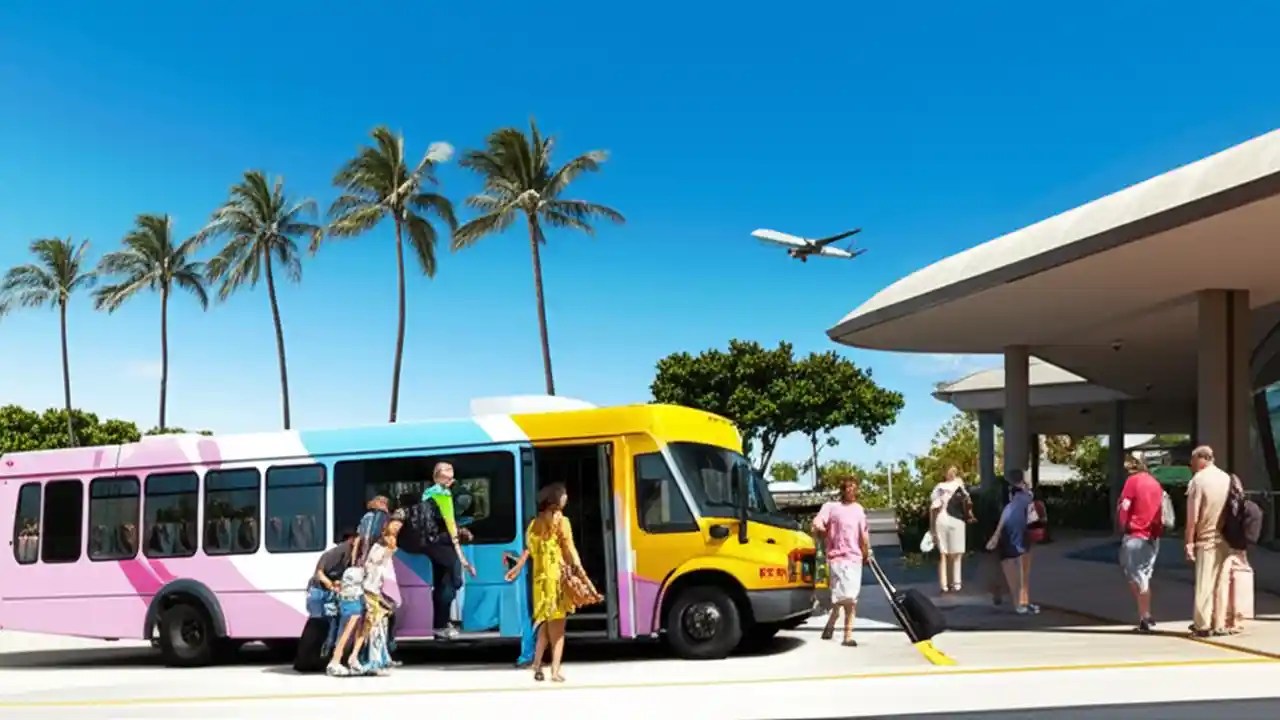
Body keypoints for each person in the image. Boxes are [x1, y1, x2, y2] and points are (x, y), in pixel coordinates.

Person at [504, 483, 596, 682]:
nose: (566, 498)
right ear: (555, 499)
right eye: (563, 495)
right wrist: (585, 579)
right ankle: (555, 671)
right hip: (557, 580)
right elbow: (570, 550)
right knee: (559, 631)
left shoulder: (534, 524)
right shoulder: (562, 521)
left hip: (540, 582)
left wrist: (517, 567)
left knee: (544, 627)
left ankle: (537, 665)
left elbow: (529, 551)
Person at [811, 476, 871, 646]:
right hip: (836, 558)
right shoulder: (831, 507)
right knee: (845, 598)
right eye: (848, 488)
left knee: (848, 598)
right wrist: (820, 527)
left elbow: (864, 535)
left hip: (854, 558)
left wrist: (867, 552)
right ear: (842, 490)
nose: (851, 491)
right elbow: (818, 521)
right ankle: (843, 630)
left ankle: (839, 629)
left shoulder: (859, 510)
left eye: (854, 487)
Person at [421, 462, 477, 641]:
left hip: (432, 544)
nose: (453, 478)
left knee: (442, 583)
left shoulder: (428, 493)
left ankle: (440, 623)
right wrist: (462, 557)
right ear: (440, 477)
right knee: (453, 581)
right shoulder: (443, 494)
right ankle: (441, 624)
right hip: (444, 543)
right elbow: (450, 521)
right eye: (450, 475)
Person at [347, 516, 403, 676]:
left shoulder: (384, 546)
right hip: (370, 589)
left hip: (376, 588)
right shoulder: (379, 546)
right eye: (395, 527)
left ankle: (380, 658)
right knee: (373, 626)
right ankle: (372, 660)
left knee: (380, 625)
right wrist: (388, 550)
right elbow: (373, 564)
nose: (396, 531)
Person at [1185, 444, 1231, 637]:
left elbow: (1192, 517)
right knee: (1221, 583)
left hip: (1206, 539)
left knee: (1204, 583)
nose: (1191, 464)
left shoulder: (1199, 480)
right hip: (1226, 539)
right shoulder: (1226, 478)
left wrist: (1189, 542)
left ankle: (1202, 625)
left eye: (1193, 460)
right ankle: (1219, 623)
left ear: (1201, 459)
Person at [1116, 455, 1164, 633]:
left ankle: (1145, 615)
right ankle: (1145, 614)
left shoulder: (1132, 482)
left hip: (1135, 534)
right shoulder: (1155, 484)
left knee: (1135, 575)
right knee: (1145, 574)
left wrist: (1122, 526)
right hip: (1153, 536)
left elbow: (1125, 506)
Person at [986, 469, 1039, 615]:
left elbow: (1006, 512)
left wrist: (996, 535)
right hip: (1023, 532)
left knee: (1011, 570)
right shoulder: (1027, 494)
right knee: (1021, 571)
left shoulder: (1009, 494)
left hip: (1010, 533)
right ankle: (1022, 602)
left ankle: (1016, 602)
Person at [929, 466, 971, 594]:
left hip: (942, 519)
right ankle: (956, 583)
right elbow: (968, 503)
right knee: (956, 554)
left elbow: (933, 508)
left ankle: (944, 584)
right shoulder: (960, 486)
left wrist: (932, 529)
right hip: (957, 520)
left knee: (943, 554)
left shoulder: (939, 488)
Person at [351, 495, 390, 566]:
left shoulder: (368, 516)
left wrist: (354, 558)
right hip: (374, 554)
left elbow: (359, 538)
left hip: (367, 555)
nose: (384, 505)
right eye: (382, 502)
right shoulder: (382, 517)